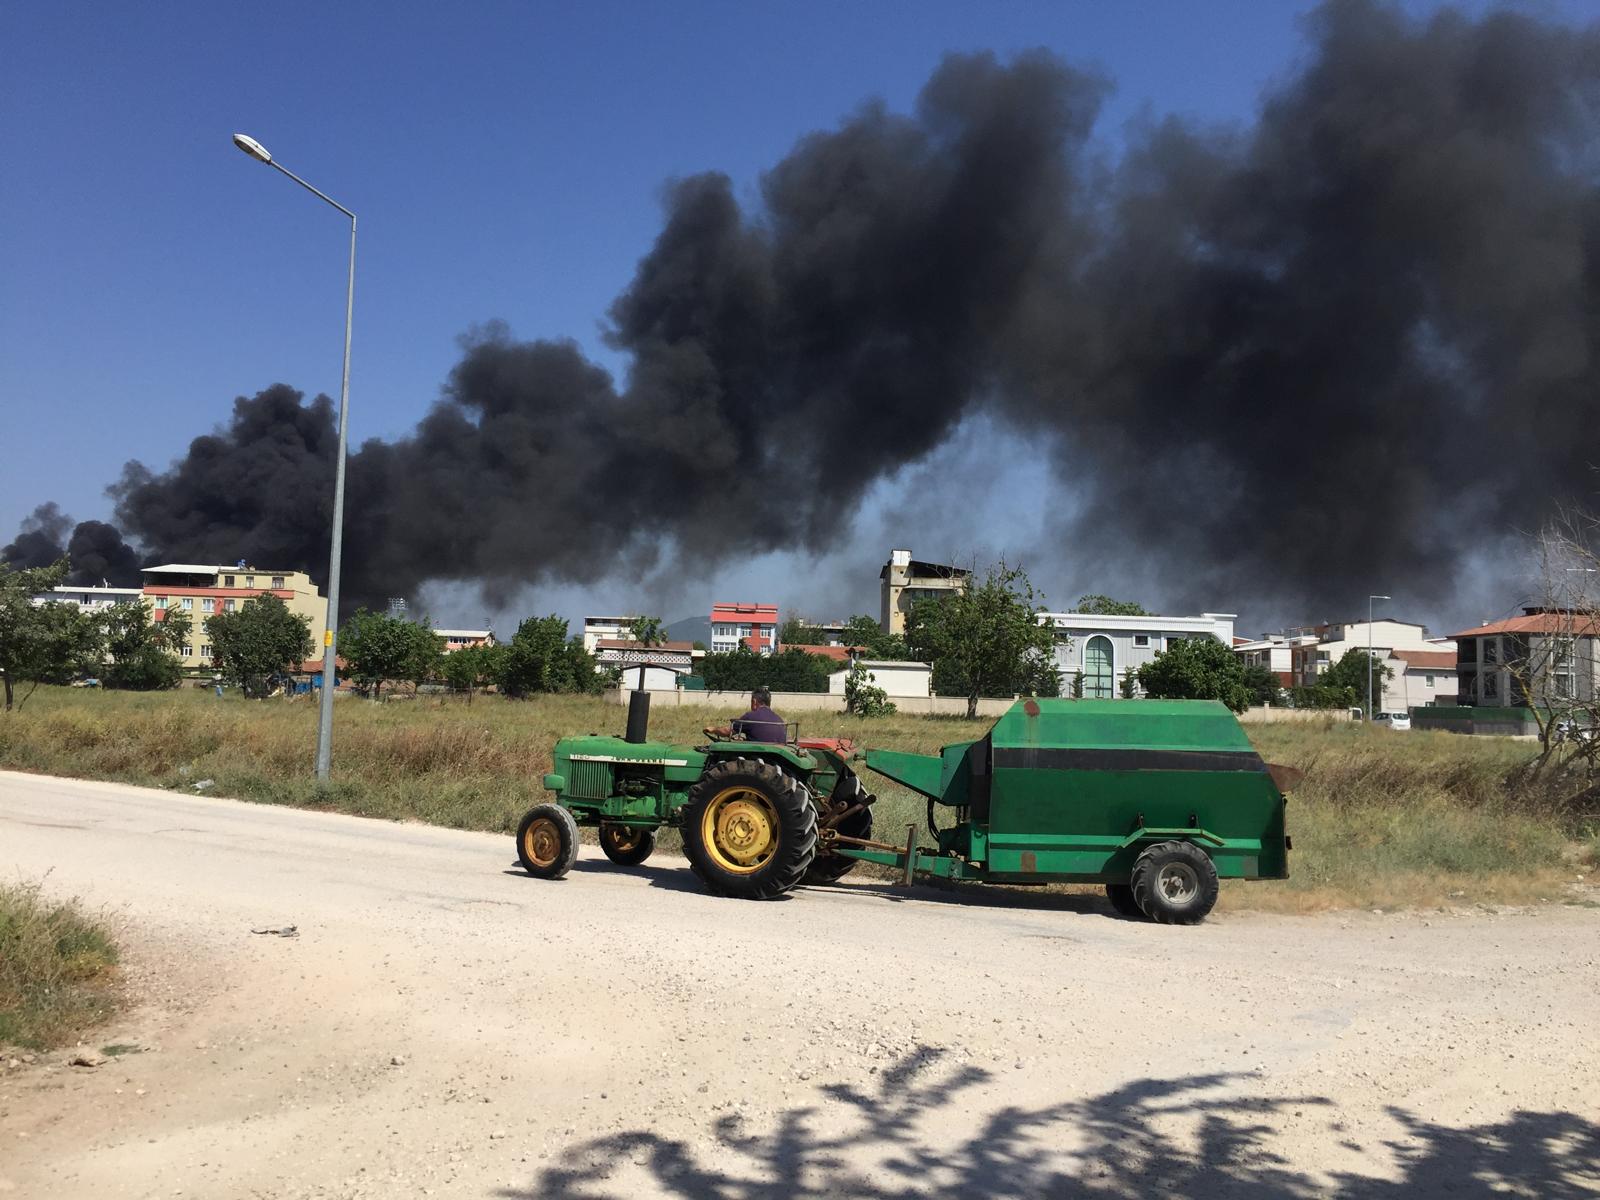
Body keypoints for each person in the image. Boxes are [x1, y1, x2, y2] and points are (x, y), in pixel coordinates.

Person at [706, 687, 788, 743]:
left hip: (757, 758)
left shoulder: (750, 717)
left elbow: (727, 732)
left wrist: (713, 729)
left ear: (754, 702)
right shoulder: (779, 720)